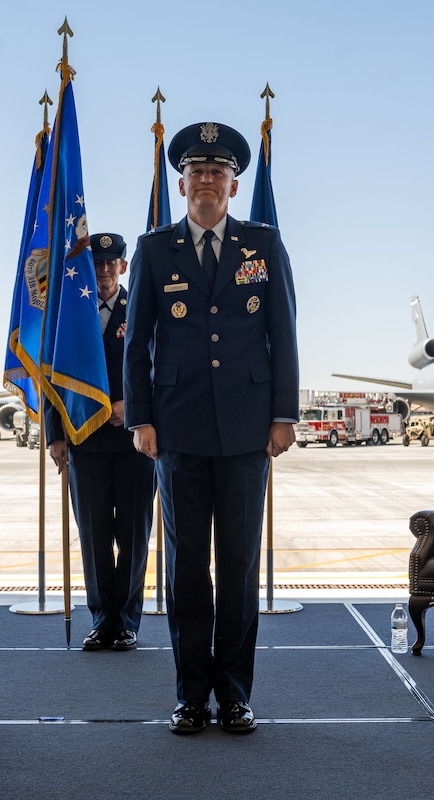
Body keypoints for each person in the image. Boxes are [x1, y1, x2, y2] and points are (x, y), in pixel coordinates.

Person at [123, 121, 299, 735]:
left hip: (248, 431)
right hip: (177, 430)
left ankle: (236, 694)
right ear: (181, 184)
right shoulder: (154, 249)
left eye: (217, 172)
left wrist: (283, 414)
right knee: (186, 569)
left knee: (239, 567)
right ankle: (191, 695)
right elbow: (137, 342)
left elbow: (283, 333)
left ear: (233, 184)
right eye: (196, 171)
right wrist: (140, 417)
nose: (206, 180)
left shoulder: (263, 245)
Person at [46, 232, 156, 653]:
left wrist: (137, 408)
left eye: (112, 262)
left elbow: (163, 365)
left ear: (124, 267)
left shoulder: (143, 308)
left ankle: (126, 621)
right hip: (84, 440)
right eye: (98, 263)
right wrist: (56, 435)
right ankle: (101, 621)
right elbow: (54, 373)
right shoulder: (73, 313)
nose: (105, 269)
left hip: (135, 442)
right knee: (93, 537)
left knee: (133, 535)